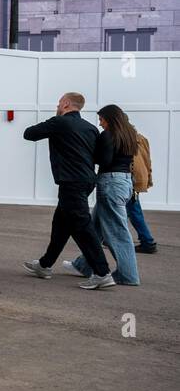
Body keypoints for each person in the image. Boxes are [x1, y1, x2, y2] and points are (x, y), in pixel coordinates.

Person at [20, 92, 114, 288]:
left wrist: (55, 122)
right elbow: (97, 157)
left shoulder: (59, 122)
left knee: (82, 227)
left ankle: (102, 273)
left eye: (59, 103)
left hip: (71, 183)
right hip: (87, 181)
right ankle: (44, 265)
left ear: (65, 104)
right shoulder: (90, 128)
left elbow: (29, 134)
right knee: (61, 225)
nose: (57, 106)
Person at [65, 105, 141, 287]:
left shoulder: (109, 134)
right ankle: (83, 265)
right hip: (123, 181)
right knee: (95, 227)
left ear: (110, 118)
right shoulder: (129, 133)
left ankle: (128, 275)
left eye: (101, 119)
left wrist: (91, 151)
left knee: (117, 232)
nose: (100, 123)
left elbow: (104, 160)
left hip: (110, 182)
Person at [128, 127, 157, 255]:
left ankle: (147, 242)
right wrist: (148, 177)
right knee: (133, 210)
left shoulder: (125, 138)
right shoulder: (141, 138)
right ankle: (147, 241)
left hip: (130, 179)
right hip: (138, 177)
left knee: (133, 211)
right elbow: (147, 159)